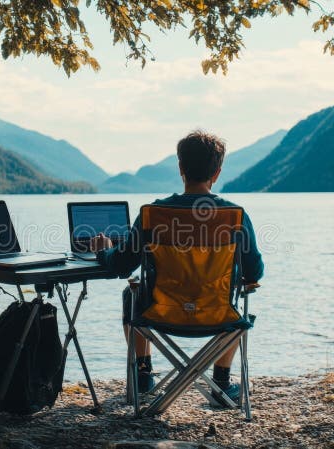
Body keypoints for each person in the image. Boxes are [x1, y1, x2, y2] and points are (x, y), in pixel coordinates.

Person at [90, 130, 264, 404]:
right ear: (217, 173)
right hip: (217, 314)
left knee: (130, 295)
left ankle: (144, 376)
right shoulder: (235, 216)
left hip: (160, 313)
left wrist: (102, 253)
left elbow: (121, 265)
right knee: (233, 297)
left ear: (180, 168)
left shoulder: (153, 213)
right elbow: (255, 273)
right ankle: (220, 383)